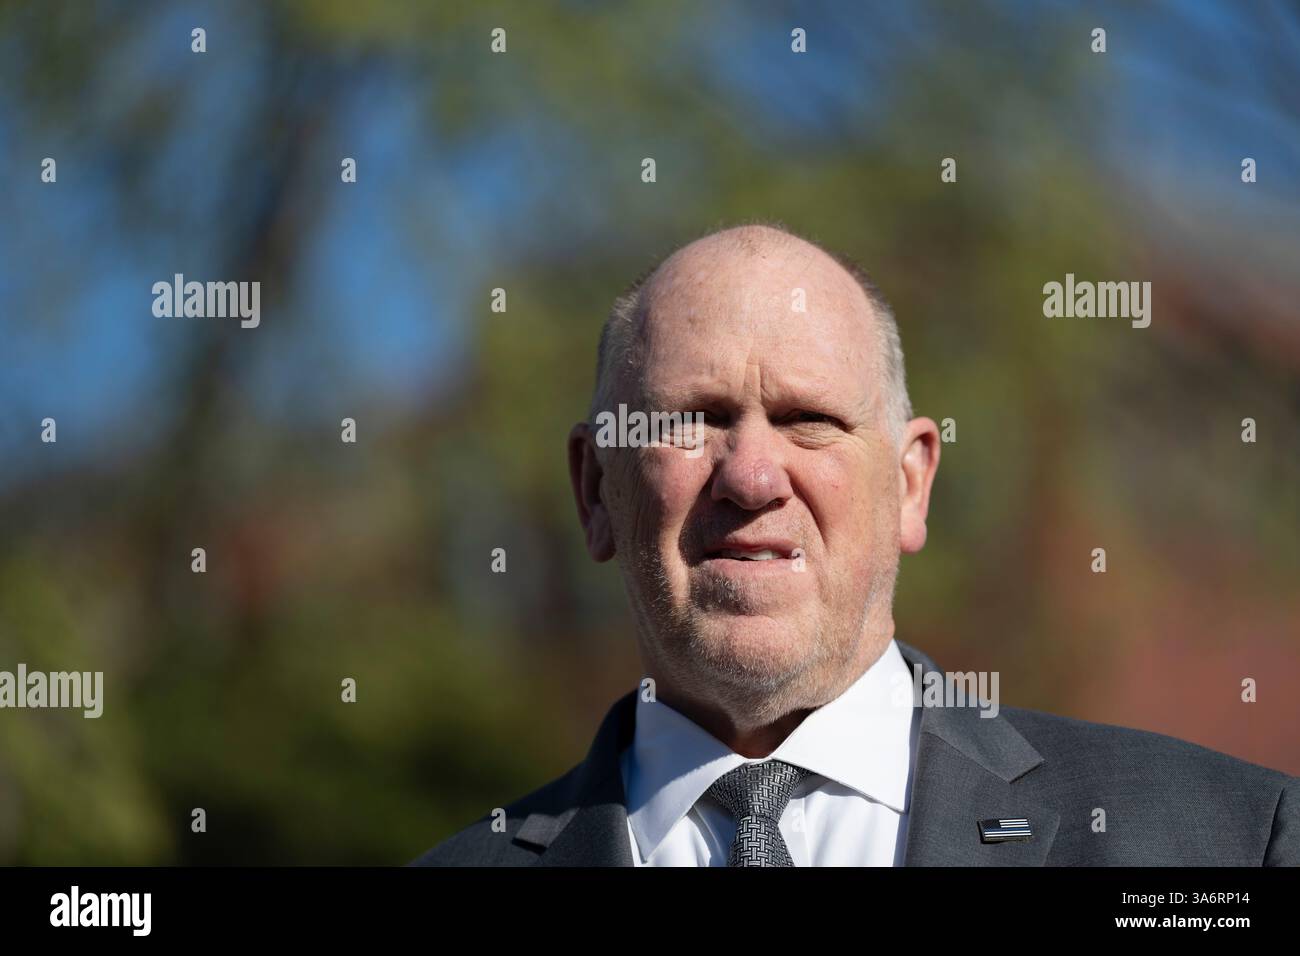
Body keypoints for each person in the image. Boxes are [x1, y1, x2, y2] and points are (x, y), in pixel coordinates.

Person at [413, 222, 1298, 866]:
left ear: (911, 483)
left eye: (809, 420)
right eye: (693, 421)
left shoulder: (1227, 846)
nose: (752, 476)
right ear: (594, 490)